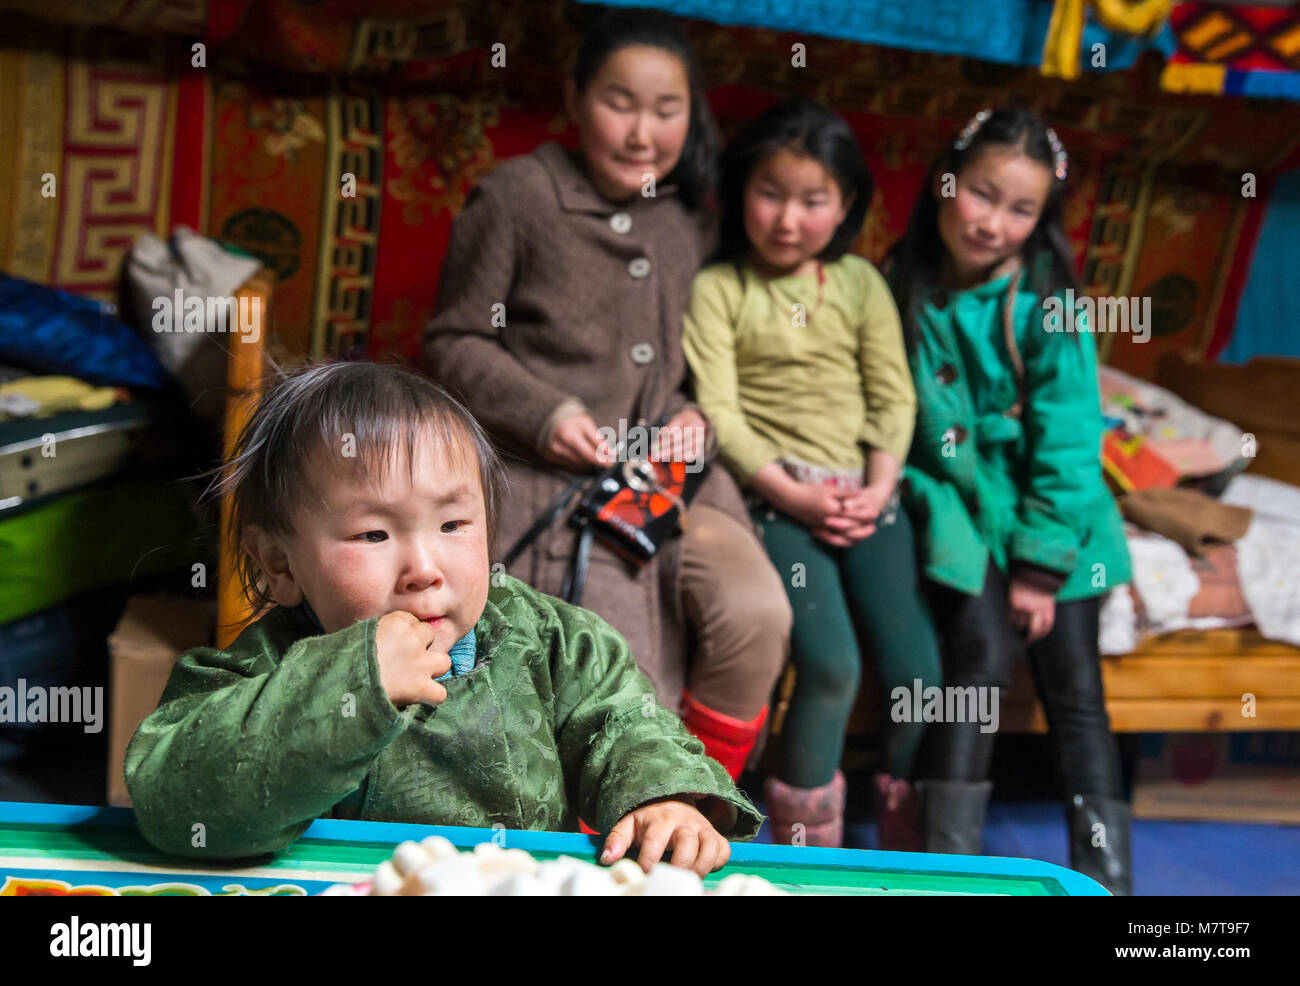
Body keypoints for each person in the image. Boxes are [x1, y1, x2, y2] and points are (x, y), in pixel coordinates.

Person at [125, 361, 761, 875]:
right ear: (279, 563)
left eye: (454, 524)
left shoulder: (556, 643)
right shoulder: (262, 669)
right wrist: (351, 682)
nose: (424, 567)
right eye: (373, 534)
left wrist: (663, 796)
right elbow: (173, 796)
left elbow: (624, 724)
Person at [421, 10, 790, 780]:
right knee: (620, 671)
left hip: (671, 480)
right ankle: (624, 815)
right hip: (554, 478)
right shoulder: (519, 198)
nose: (642, 133)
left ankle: (697, 794)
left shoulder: (694, 216)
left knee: (759, 614)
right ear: (575, 98)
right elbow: (453, 342)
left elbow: (711, 357)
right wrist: (546, 412)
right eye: (619, 102)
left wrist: (695, 416)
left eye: (667, 110)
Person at [682, 99, 942, 850]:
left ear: (847, 205)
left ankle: (905, 830)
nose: (788, 219)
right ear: (739, 194)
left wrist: (881, 487)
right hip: (778, 501)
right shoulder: (720, 288)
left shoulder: (859, 282)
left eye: (813, 199)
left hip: (866, 495)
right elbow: (719, 411)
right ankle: (805, 849)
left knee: (919, 672)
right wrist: (793, 493)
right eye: (770, 193)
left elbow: (895, 393)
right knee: (831, 666)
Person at [888, 106, 1134, 893]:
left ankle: (1108, 875)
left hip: (1059, 529)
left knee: (1076, 691)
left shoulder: (1051, 304)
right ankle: (948, 871)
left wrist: (1038, 568)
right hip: (963, 515)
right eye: (982, 195)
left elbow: (1066, 445)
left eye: (1021, 209)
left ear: (1041, 221)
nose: (994, 223)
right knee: (978, 661)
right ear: (944, 184)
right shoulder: (903, 287)